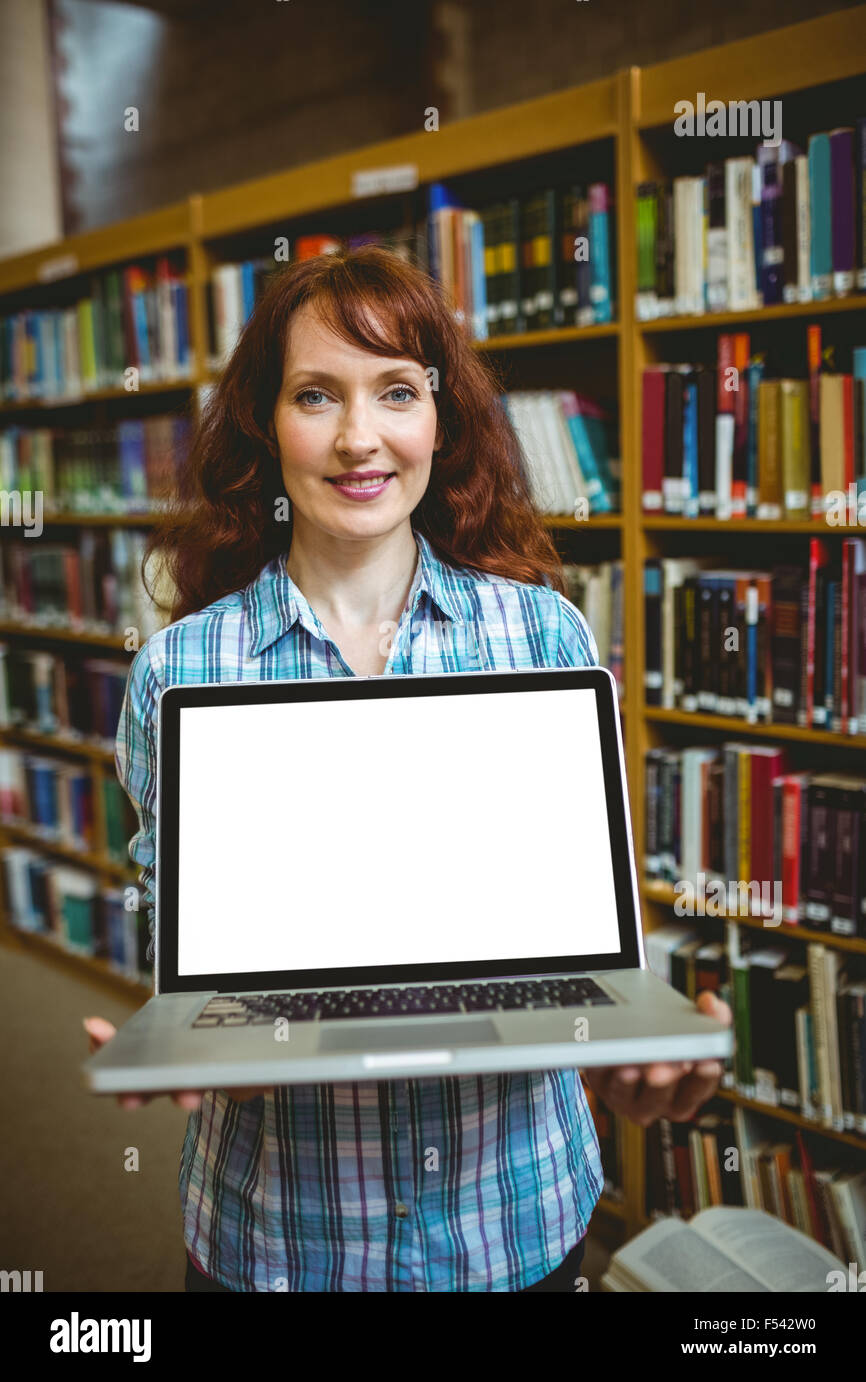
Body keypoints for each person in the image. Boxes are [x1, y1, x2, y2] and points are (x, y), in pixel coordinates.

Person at [84, 244, 733, 1293]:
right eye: (314, 394)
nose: (358, 437)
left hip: (510, 1220)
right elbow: (181, 941)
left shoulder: (541, 638)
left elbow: (584, 930)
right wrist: (188, 1036)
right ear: (264, 420)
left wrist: (630, 1045)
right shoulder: (182, 668)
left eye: (396, 391)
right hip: (283, 1240)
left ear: (440, 418)